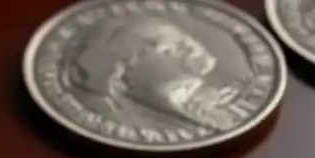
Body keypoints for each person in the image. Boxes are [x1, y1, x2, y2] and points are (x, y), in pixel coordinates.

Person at [63, 17, 248, 132]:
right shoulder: (125, 120)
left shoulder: (229, 90)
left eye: (182, 39)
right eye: (164, 49)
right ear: (121, 75)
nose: (189, 47)